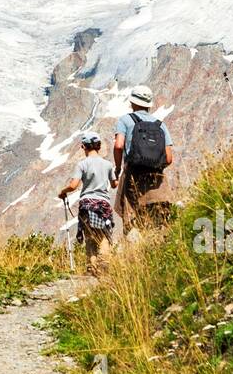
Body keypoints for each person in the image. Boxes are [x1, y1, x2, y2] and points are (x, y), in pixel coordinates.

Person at [112, 84, 174, 228]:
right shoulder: (160, 125)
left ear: (132, 102)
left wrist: (117, 167)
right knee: (160, 225)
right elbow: (169, 158)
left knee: (133, 224)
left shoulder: (125, 120)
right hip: (157, 181)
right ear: (149, 105)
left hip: (133, 177)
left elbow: (118, 146)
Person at [57, 130, 115, 271]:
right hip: (103, 206)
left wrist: (63, 192)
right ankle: (104, 265)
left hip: (87, 205)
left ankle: (91, 266)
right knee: (103, 236)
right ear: (99, 146)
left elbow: (73, 185)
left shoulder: (82, 165)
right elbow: (114, 184)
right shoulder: (107, 165)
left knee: (89, 236)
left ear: (84, 146)